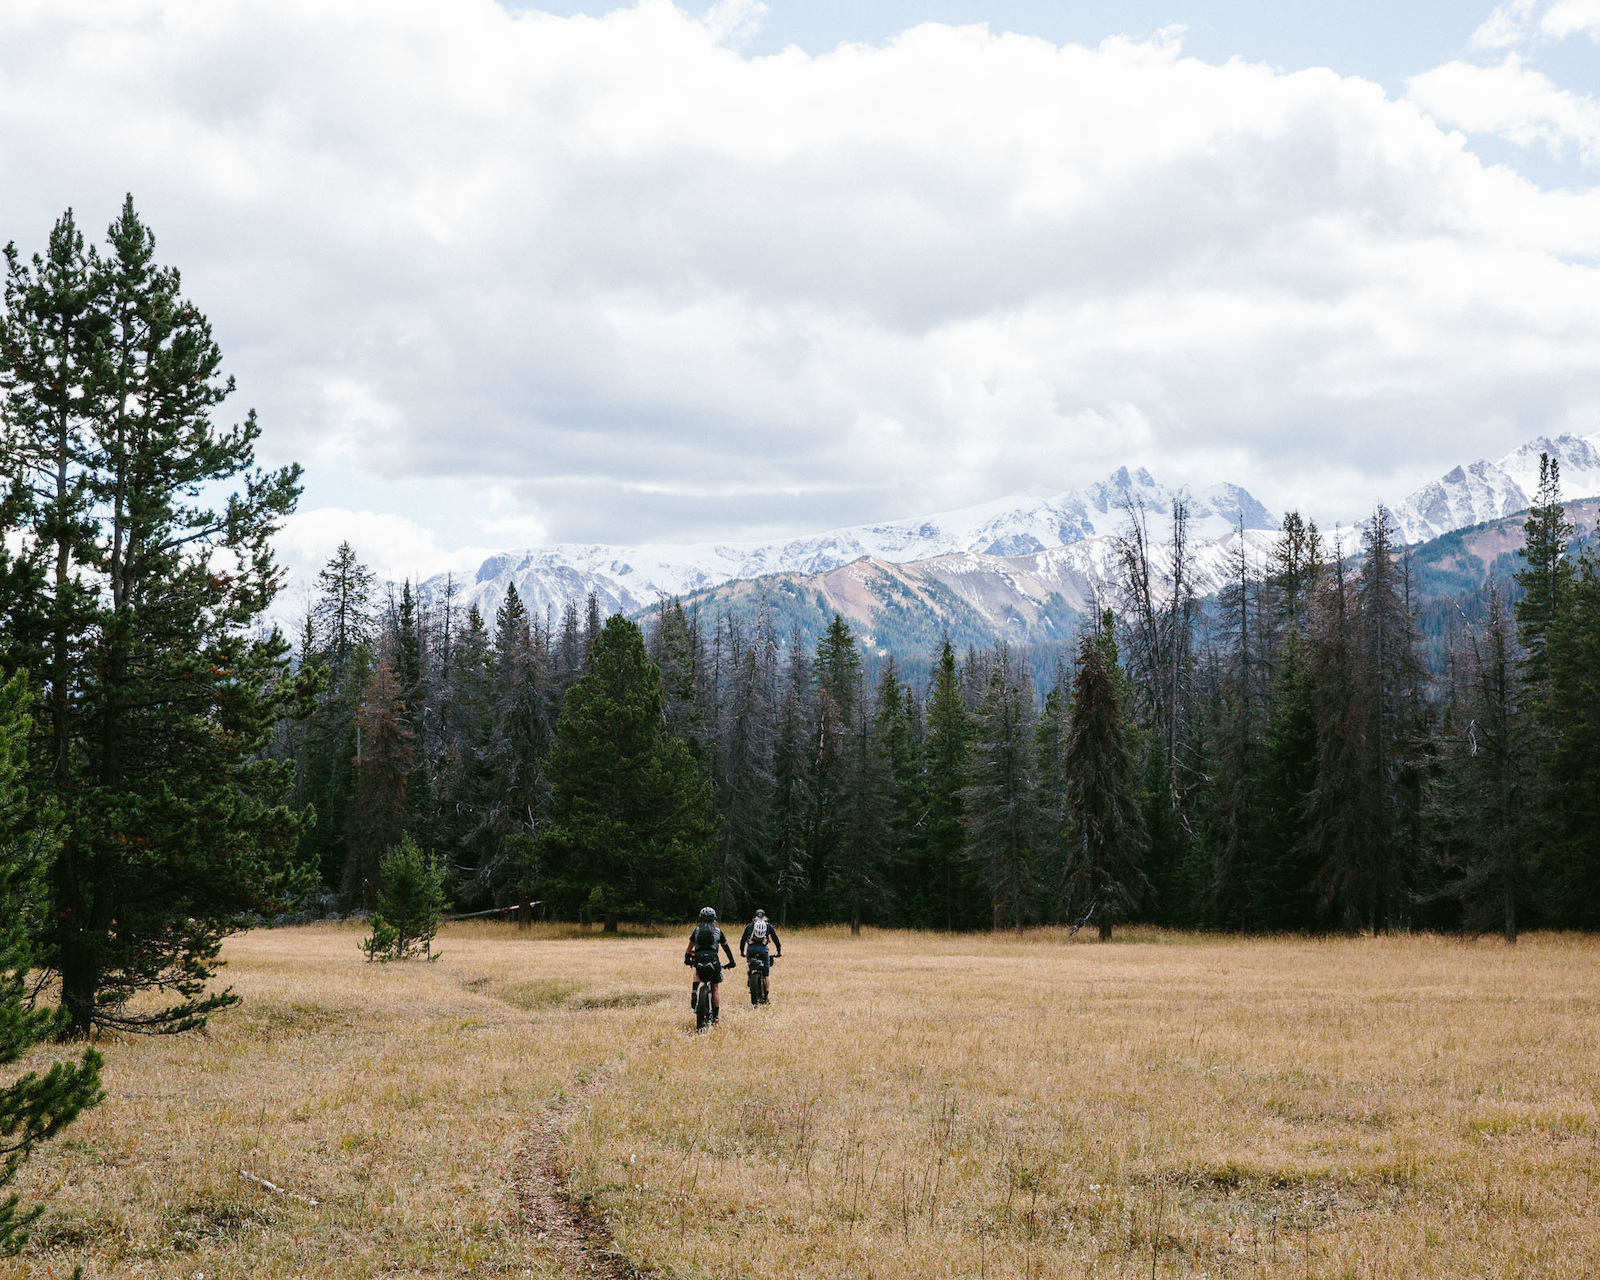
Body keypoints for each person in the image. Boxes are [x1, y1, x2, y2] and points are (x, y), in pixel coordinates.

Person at [684, 906, 736, 1024]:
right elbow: (726, 948)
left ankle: (694, 990)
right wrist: (732, 962)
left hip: (699, 959)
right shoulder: (718, 932)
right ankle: (716, 1017)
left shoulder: (696, 931)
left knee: (696, 970)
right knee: (715, 988)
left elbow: (689, 949)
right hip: (713, 961)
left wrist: (687, 959)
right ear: (714, 919)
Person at [739, 909, 782, 1003]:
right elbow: (775, 939)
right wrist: (778, 951)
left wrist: (742, 951)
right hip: (763, 950)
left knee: (749, 965)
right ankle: (766, 997)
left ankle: (750, 978)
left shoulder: (750, 926)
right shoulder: (768, 926)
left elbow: (743, 939)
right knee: (766, 974)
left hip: (751, 949)